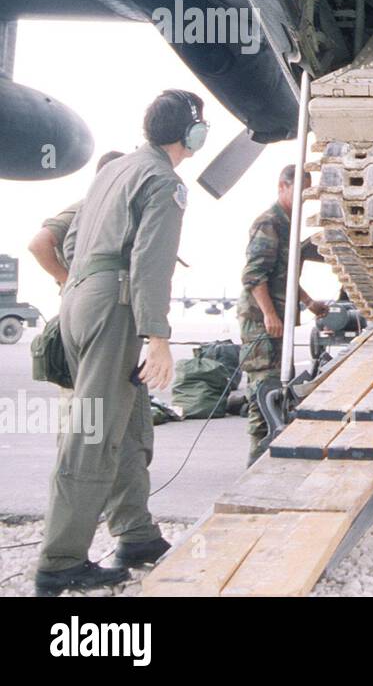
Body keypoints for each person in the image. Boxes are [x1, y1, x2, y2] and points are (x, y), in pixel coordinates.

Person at [35, 90, 207, 596]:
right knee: (93, 432)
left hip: (82, 300)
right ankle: (60, 562)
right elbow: (151, 262)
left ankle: (135, 537)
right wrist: (157, 336)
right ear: (192, 134)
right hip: (115, 307)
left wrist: (85, 289)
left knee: (126, 425)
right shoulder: (163, 180)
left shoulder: (115, 170)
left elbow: (68, 244)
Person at [238, 164, 327, 465]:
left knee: (278, 389)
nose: (303, 199)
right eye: (299, 192)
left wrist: (309, 303)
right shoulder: (270, 223)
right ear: (282, 186)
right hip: (262, 323)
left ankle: (267, 458)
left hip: (277, 320)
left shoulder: (287, 224)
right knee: (264, 391)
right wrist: (269, 315)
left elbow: (286, 277)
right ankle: (255, 460)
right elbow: (253, 276)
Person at [28, 150, 125, 288]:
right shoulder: (86, 208)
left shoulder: (116, 211)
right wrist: (69, 282)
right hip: (87, 298)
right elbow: (38, 245)